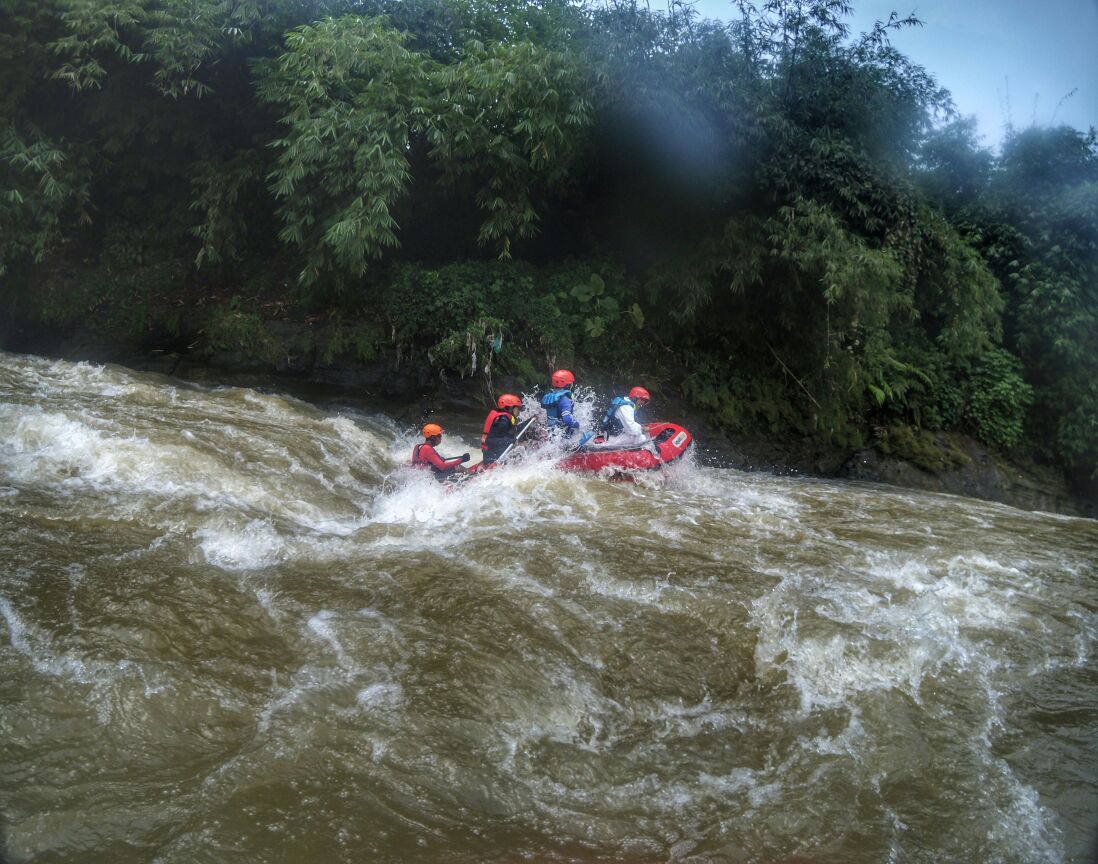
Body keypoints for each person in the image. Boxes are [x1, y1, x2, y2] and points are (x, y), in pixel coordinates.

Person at [481, 393, 525, 466]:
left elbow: (515, 429)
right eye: (517, 408)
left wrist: (531, 420)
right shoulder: (502, 421)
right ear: (509, 408)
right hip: (492, 458)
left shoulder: (503, 419)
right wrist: (510, 440)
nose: (519, 412)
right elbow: (490, 440)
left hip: (493, 454)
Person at [540, 369, 581, 438]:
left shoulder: (551, 397)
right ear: (567, 385)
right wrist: (578, 425)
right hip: (564, 436)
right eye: (571, 384)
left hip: (552, 434)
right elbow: (567, 419)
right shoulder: (565, 400)